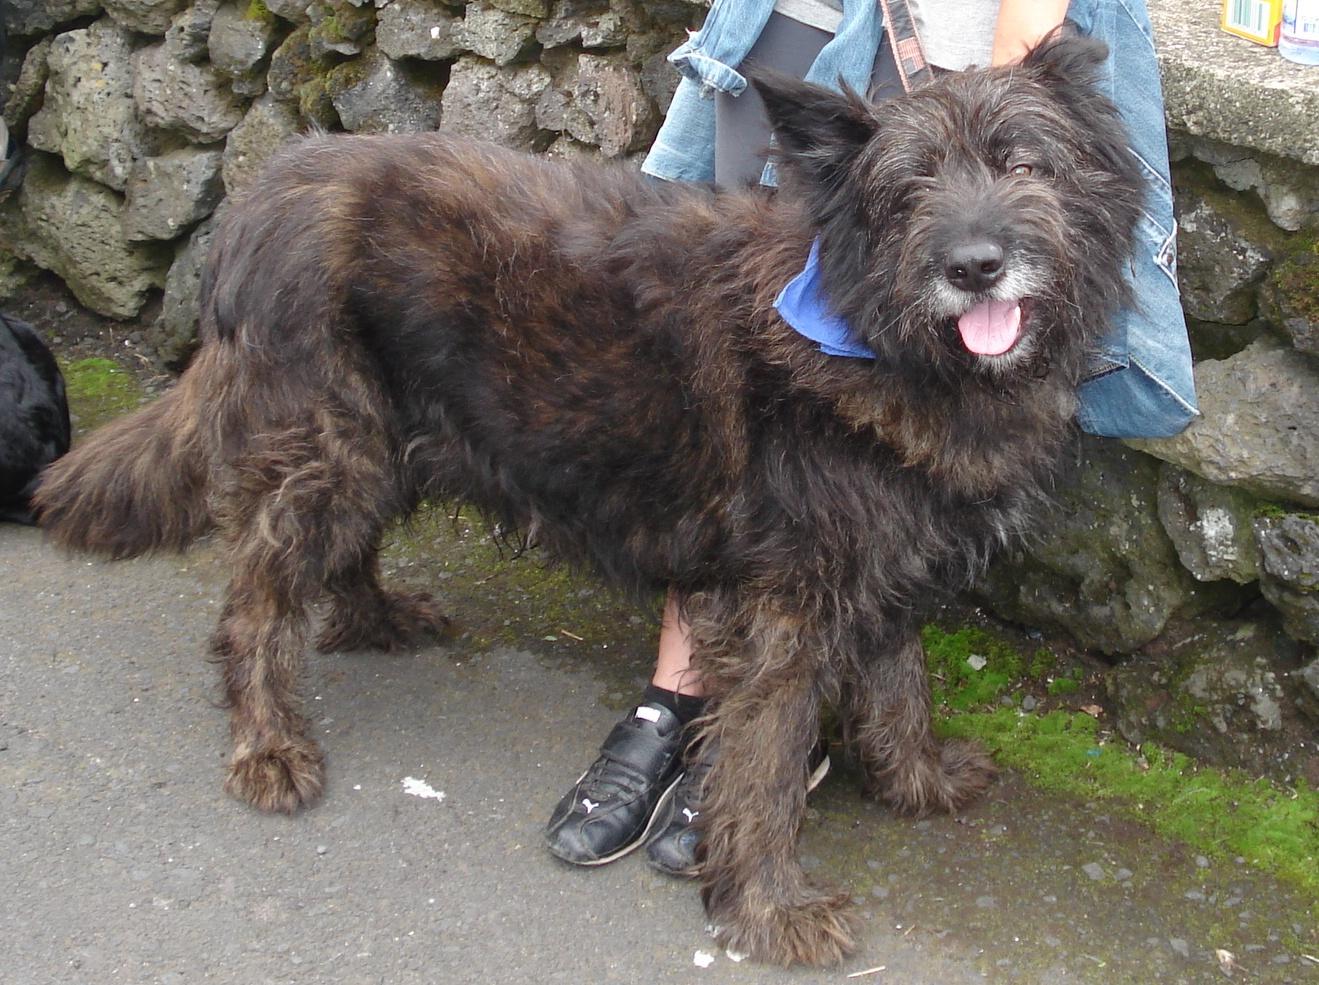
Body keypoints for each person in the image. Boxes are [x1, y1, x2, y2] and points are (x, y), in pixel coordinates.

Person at [545, 0, 1198, 875]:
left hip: (983, 38)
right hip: (798, 23)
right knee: (773, 516)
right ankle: (699, 717)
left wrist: (1023, 69)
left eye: (1022, 167)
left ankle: (854, 749)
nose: (976, 236)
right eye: (917, 192)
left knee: (883, 539)